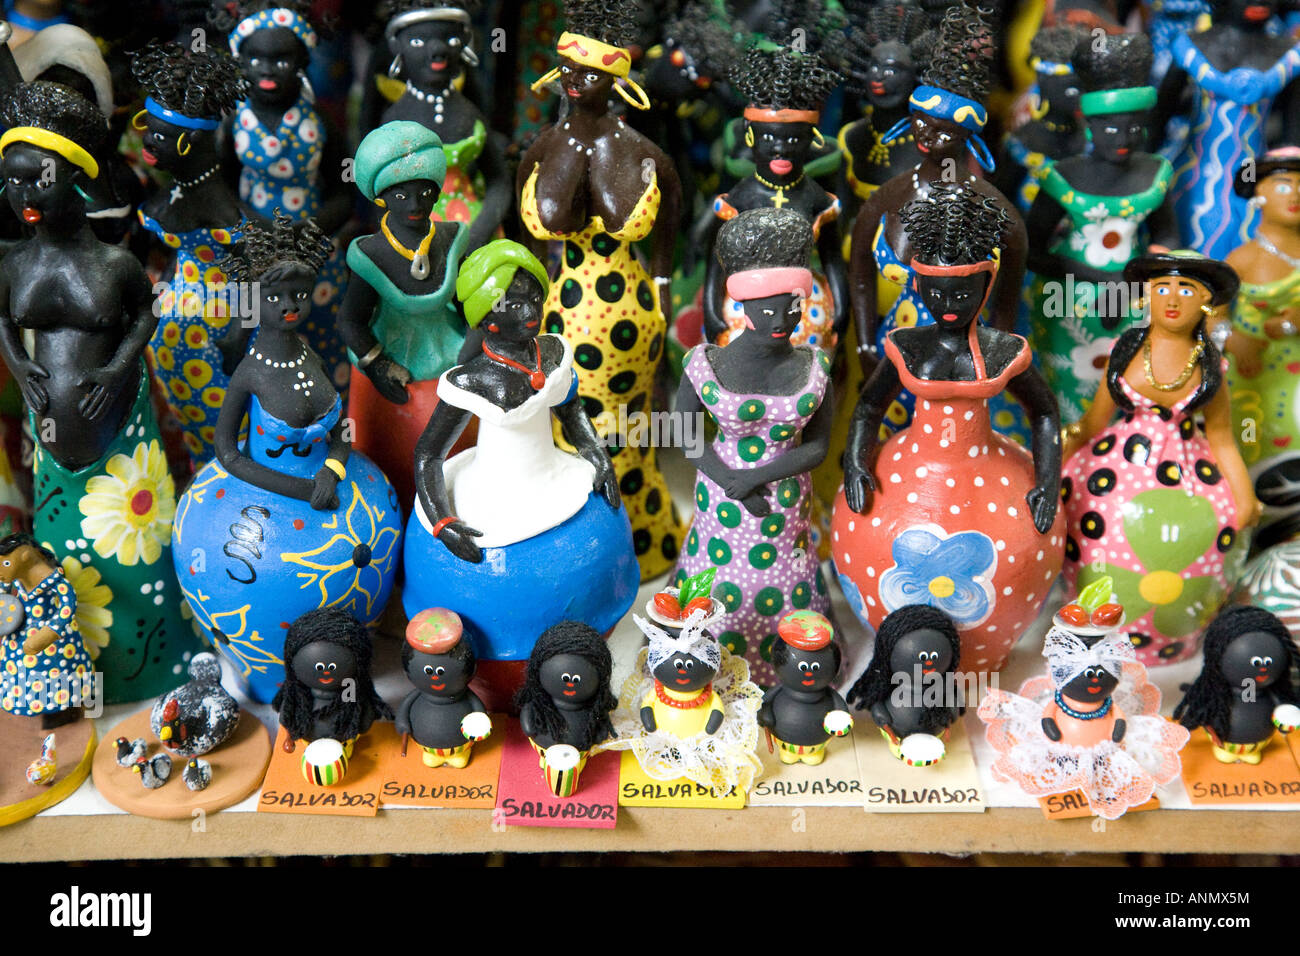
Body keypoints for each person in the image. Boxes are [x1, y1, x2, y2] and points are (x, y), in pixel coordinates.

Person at [0, 81, 199, 703]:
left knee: (137, 553)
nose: (24, 194)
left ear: (77, 180)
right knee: (67, 562)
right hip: (52, 441)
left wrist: (115, 371)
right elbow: (4, 322)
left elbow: (145, 318)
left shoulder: (115, 264)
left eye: (40, 177)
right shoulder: (12, 263)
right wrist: (20, 369)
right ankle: (86, 677)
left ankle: (157, 666)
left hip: (122, 441)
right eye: (12, 180)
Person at [835, 181, 1063, 673]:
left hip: (995, 477)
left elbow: (1043, 412)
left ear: (988, 283)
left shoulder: (1004, 349)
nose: (949, 302)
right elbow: (868, 407)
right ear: (917, 285)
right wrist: (856, 463)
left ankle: (984, 656)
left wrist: (1047, 482)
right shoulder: (907, 344)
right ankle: (900, 652)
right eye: (935, 291)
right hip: (905, 476)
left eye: (962, 290)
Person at [403, 240, 637, 709]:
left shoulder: (550, 356)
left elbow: (572, 411)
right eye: (511, 302)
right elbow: (429, 454)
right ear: (484, 317)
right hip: (487, 491)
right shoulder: (469, 380)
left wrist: (598, 456)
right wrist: (443, 522)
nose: (528, 309)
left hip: (555, 478)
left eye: (533, 296)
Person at [517, 0, 684, 579]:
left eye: (590, 72)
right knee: (569, 421)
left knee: (629, 425)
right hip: (562, 309)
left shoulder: (643, 152)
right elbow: (531, 238)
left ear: (617, 80)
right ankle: (579, 546)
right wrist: (532, 294)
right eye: (568, 68)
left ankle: (643, 530)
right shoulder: (543, 149)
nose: (576, 81)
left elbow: (670, 224)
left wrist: (663, 286)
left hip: (631, 310)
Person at [1061, 251, 1258, 665]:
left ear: (1206, 301)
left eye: (1187, 289)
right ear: (1144, 297)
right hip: (1114, 462)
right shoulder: (1126, 350)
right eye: (1162, 287)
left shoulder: (1209, 368)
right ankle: (1098, 630)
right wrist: (1054, 457)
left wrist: (1243, 498)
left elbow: (1222, 438)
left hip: (1192, 467)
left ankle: (1173, 639)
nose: (1173, 298)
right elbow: (1092, 422)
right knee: (1090, 515)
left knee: (1205, 535)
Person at [675, 208, 832, 686]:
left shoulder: (815, 366)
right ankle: (704, 662)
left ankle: (789, 664)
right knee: (717, 572)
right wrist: (730, 480)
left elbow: (820, 446)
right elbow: (681, 436)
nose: (782, 318)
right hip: (720, 501)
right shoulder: (705, 363)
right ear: (742, 306)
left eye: (793, 306)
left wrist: (755, 477)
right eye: (768, 308)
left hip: (784, 502)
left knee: (784, 574)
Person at [336, 120, 468, 508]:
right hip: (394, 368)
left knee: (459, 461)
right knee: (393, 465)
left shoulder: (451, 238)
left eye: (425, 193)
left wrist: (481, 342)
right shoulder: (369, 253)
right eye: (400, 195)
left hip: (450, 357)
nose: (414, 205)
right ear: (381, 198)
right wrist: (376, 365)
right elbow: (350, 320)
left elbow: (466, 305)